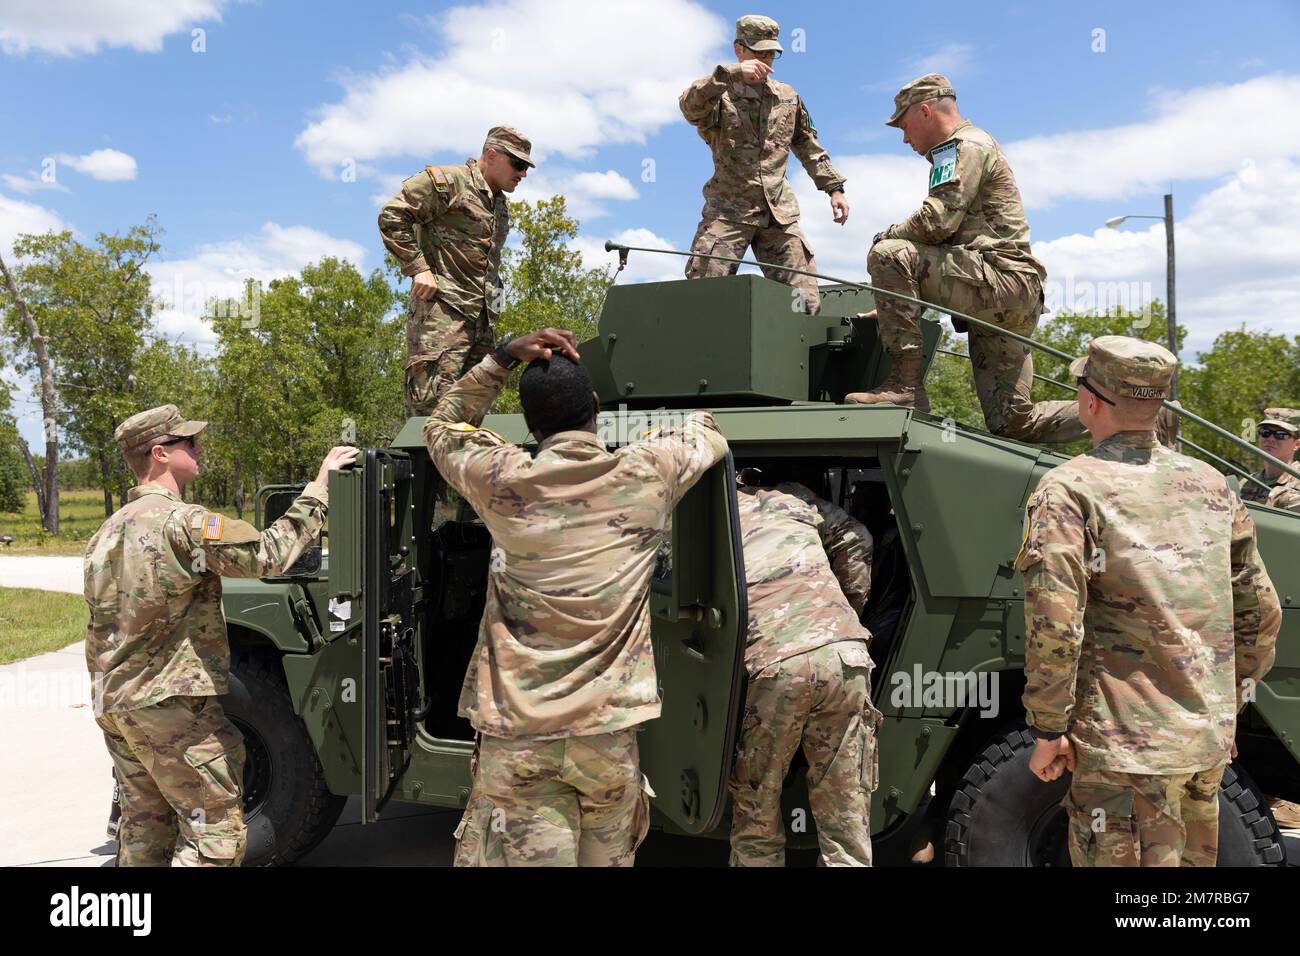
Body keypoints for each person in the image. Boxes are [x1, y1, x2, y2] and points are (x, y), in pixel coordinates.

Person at [424, 328, 730, 866]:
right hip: (605, 740)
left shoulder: (502, 478)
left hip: (520, 741)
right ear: (594, 408)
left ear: (527, 425)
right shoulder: (647, 471)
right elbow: (706, 431)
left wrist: (499, 359)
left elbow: (442, 424)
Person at [1017, 337, 1280, 866]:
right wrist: (1225, 712)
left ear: (1090, 400)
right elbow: (1260, 608)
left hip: (1122, 751)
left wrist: (1049, 729)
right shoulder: (1212, 485)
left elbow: (1055, 624)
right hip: (1202, 743)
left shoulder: (1069, 488)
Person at [85, 404, 357, 865]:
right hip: (171, 705)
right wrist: (321, 487)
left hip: (117, 705)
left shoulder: (105, 533)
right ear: (160, 453)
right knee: (217, 840)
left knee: (144, 831)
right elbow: (267, 556)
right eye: (187, 442)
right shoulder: (185, 523)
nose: (197, 447)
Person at [846, 74, 1083, 444]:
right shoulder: (974, 144)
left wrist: (885, 235)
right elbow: (948, 244)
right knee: (1013, 423)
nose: (905, 139)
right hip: (1011, 293)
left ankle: (905, 388)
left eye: (905, 127)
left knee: (887, 254)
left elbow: (937, 222)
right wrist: (899, 301)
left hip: (998, 282)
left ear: (924, 111)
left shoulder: (960, 146)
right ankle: (1130, 410)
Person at [730, 475, 879, 866]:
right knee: (846, 812)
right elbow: (857, 537)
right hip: (845, 654)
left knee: (756, 809)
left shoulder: (708, 516)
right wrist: (846, 610)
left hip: (778, 662)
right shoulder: (790, 496)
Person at [679, 14, 847, 314]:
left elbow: (807, 144)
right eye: (758, 52)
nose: (766, 59)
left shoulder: (787, 97)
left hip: (779, 213)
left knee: (805, 302)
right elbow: (689, 106)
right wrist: (729, 74)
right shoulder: (719, 93)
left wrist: (834, 188)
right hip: (729, 211)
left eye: (771, 53)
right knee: (703, 294)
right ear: (739, 50)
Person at [378, 126, 534, 416]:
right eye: (518, 164)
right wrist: (418, 268)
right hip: (443, 318)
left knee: (471, 416)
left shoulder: (498, 203)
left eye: (526, 167)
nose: (523, 173)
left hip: (481, 324)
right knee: (433, 412)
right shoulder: (449, 182)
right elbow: (392, 215)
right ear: (491, 153)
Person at [1239, 407, 1300, 511]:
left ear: (1297, 444)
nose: (1270, 439)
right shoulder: (1246, 482)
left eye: (1281, 435)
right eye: (1265, 432)